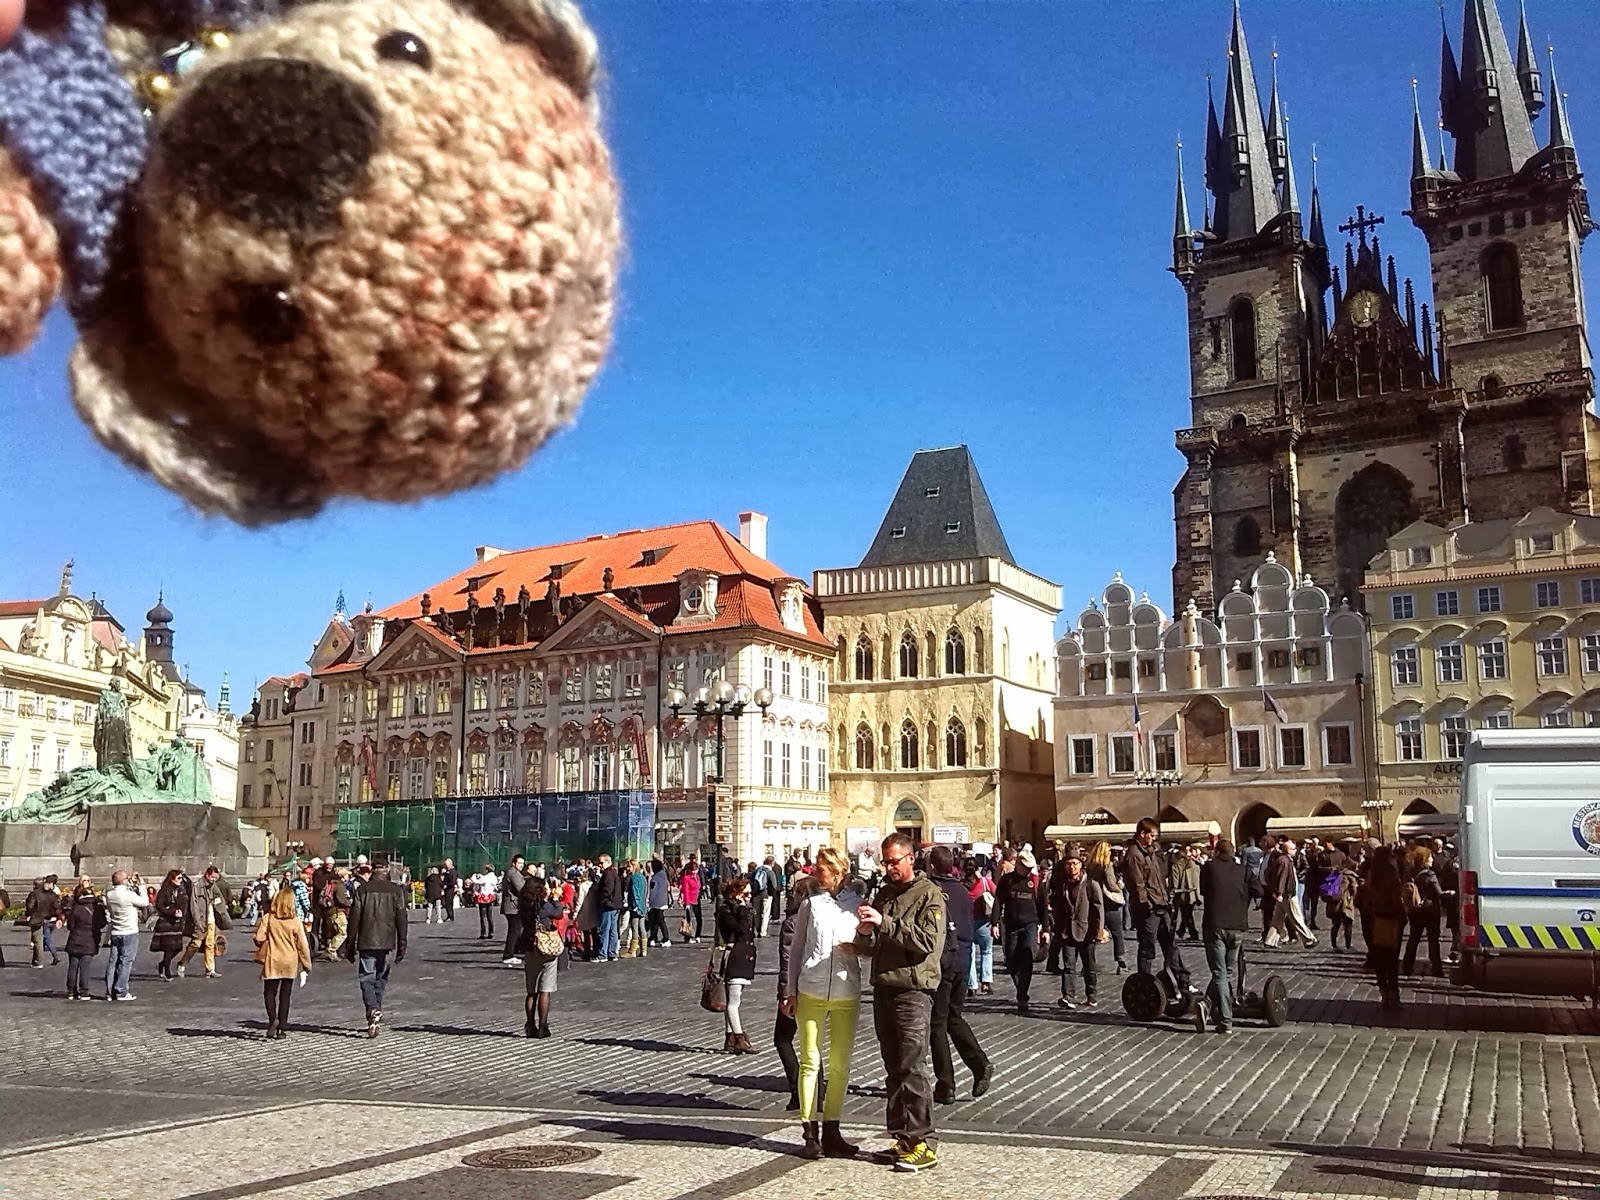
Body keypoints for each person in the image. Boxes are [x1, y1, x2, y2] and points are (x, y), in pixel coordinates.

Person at [855, 832, 945, 1174]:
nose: (889, 867)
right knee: (893, 1065)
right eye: (886, 861)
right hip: (884, 987)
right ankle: (903, 1137)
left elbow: (926, 942)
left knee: (912, 1065)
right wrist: (863, 934)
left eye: (894, 861)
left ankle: (924, 1140)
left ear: (911, 859)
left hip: (912, 990)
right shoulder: (885, 894)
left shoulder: (929, 896)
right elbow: (876, 943)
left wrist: (886, 923)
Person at [782, 847, 864, 1159]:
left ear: (839, 871)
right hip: (812, 988)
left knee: (840, 1065)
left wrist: (859, 945)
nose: (817, 873)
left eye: (823, 868)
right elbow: (796, 948)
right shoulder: (810, 904)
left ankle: (833, 1130)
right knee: (810, 1061)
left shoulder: (856, 905)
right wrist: (789, 990)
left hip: (846, 990)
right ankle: (809, 1131)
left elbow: (869, 943)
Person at [928, 845, 991, 1105]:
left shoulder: (932, 891)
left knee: (938, 1024)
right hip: (964, 961)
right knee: (953, 1017)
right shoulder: (964, 892)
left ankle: (946, 1085)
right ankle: (980, 1064)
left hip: (943, 961)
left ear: (931, 866)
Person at [344, 864, 409, 1038]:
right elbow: (402, 918)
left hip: (366, 940)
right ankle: (375, 1010)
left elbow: (354, 919)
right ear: (387, 872)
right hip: (387, 940)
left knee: (367, 977)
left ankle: (372, 1009)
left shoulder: (363, 890)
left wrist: (349, 944)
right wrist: (402, 943)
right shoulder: (395, 891)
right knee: (380, 977)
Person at [1123, 820, 1190, 989]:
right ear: (1142, 834)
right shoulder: (1134, 854)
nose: (1154, 839)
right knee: (1147, 946)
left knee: (1170, 943)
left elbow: (1158, 878)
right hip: (1148, 909)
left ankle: (1182, 979)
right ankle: (1144, 982)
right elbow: (1137, 884)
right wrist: (1146, 905)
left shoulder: (1151, 852)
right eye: (1151, 835)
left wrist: (1166, 897)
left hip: (1162, 905)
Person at [775, 874, 818, 1112]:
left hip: (796, 988)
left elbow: (787, 960)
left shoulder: (793, 922)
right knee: (812, 1041)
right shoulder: (818, 917)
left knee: (782, 1039)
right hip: (816, 986)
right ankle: (816, 1092)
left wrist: (785, 991)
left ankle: (797, 1089)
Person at [1198, 838, 1249, 1034]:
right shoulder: (1242, 870)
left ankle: (1225, 1019)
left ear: (1217, 852)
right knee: (1226, 972)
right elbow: (1258, 890)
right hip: (1237, 927)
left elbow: (1204, 891)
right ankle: (1206, 1005)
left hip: (1215, 924)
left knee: (1220, 973)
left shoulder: (1209, 868)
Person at [253, 886, 311, 1039]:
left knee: (270, 993)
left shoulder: (268, 918)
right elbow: (303, 946)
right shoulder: (295, 922)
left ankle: (273, 1019)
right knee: (285, 995)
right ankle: (283, 1028)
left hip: (273, 959)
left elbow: (259, 938)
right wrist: (306, 965)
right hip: (289, 961)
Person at [994, 849, 1047, 1014]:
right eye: (1025, 867)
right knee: (1010, 960)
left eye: (1030, 868)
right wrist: (994, 923)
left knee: (1026, 959)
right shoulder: (1007, 880)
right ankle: (1021, 988)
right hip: (1010, 925)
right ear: (1018, 865)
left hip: (1029, 925)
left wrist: (1046, 928)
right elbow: (998, 901)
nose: (1028, 870)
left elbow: (1043, 907)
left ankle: (1022, 996)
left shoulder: (1036, 883)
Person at [1051, 853, 1104, 1010]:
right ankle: (1068, 996)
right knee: (1069, 966)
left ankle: (1091, 994)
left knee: (1089, 966)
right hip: (1067, 932)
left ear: (1081, 865)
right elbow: (1059, 908)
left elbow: (1098, 908)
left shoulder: (1090, 884)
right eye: (1068, 864)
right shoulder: (1063, 885)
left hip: (1087, 931)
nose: (1071, 867)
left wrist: (1099, 930)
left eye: (1074, 863)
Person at [1361, 846, 1407, 1011]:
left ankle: (1384, 995)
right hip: (1391, 919)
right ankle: (1394, 997)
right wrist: (1403, 915)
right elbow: (1396, 900)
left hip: (1376, 919)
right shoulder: (1391, 874)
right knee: (1392, 961)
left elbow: (1366, 899)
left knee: (1380, 960)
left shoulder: (1372, 874)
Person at [520, 875, 566, 1037]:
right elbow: (558, 914)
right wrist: (555, 898)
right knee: (545, 990)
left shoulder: (524, 905)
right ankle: (543, 1026)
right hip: (546, 947)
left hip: (530, 946)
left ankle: (530, 1025)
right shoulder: (544, 905)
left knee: (531, 991)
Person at [717, 875, 758, 1053]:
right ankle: (739, 1037)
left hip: (745, 956)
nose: (749, 897)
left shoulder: (744, 910)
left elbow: (750, 933)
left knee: (735, 1000)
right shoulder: (725, 911)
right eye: (746, 894)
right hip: (734, 955)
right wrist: (742, 909)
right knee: (733, 1002)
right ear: (736, 894)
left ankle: (730, 1038)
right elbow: (740, 931)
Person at [103, 869, 149, 1001]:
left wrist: (129, 882)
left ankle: (109, 991)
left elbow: (117, 888)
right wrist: (141, 886)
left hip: (115, 931)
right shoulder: (128, 895)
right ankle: (121, 991)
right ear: (123, 881)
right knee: (126, 962)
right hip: (129, 931)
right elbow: (145, 902)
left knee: (113, 962)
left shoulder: (110, 894)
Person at [1263, 838, 1317, 949]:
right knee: (1296, 917)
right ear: (1288, 850)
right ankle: (1309, 939)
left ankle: (1270, 941)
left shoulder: (1285, 859)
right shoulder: (1284, 861)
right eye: (1293, 849)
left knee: (1277, 919)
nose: (1295, 850)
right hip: (1287, 894)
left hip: (1284, 894)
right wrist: (1279, 893)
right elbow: (1282, 877)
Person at [1402, 845, 1445, 978]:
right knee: (1433, 940)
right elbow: (1438, 893)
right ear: (1425, 859)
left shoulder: (1411, 872)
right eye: (1430, 857)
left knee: (1414, 938)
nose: (1432, 859)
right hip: (1430, 910)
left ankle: (1407, 966)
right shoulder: (1430, 875)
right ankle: (1436, 968)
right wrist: (1450, 894)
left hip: (1415, 910)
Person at [1085, 841, 1128, 974]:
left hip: (1094, 902)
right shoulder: (1106, 865)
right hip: (1109, 904)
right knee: (1117, 933)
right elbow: (1110, 883)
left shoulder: (1090, 866)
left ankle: (1089, 962)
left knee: (1093, 933)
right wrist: (1119, 886)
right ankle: (1121, 963)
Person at [177, 865, 225, 978]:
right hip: (201, 920)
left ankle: (210, 969)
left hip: (211, 919)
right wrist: (197, 921)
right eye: (213, 877)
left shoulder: (213, 886)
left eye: (216, 878)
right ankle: (182, 963)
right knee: (196, 944)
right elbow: (193, 905)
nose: (214, 880)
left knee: (210, 945)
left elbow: (219, 899)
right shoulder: (198, 886)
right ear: (207, 875)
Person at [62, 879, 107, 1000]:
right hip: (90, 940)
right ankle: (84, 991)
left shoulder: (76, 908)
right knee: (85, 967)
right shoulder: (98, 908)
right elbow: (102, 923)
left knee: (73, 966)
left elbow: (70, 926)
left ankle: (71, 991)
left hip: (75, 939)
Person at [150, 869, 187, 980]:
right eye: (179, 878)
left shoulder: (181, 890)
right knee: (168, 947)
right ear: (172, 879)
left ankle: (163, 964)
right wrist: (172, 912)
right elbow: (159, 906)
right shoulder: (164, 891)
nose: (181, 880)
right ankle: (167, 970)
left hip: (177, 923)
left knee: (177, 948)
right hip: (166, 923)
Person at [25, 875, 61, 968]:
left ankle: (39, 961)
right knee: (45, 938)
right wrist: (57, 917)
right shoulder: (52, 894)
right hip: (49, 919)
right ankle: (36, 960)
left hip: (37, 919)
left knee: (38, 940)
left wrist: (29, 914)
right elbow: (57, 907)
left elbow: (30, 906)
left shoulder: (34, 894)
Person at [594, 853, 624, 962]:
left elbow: (607, 890)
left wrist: (601, 899)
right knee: (612, 930)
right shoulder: (614, 873)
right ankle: (612, 953)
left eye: (601, 862)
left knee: (605, 930)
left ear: (608, 862)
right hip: (614, 905)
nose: (600, 865)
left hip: (608, 905)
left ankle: (603, 954)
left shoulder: (608, 874)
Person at [1171, 845, 1201, 942]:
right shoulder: (1193, 864)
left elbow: (1175, 884)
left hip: (1182, 893)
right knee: (1187, 913)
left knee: (1186, 914)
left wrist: (1172, 894)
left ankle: (1193, 933)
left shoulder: (1175, 866)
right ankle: (1182, 931)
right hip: (1193, 893)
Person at [501, 854, 526, 966]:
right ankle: (508, 955)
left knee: (515, 930)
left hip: (512, 906)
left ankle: (511, 952)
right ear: (514, 863)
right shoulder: (513, 873)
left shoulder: (515, 873)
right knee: (514, 931)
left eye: (522, 863)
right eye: (519, 863)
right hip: (512, 906)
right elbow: (521, 888)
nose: (521, 865)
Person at [646, 858, 672, 948]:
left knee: (659, 921)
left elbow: (653, 891)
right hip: (663, 901)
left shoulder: (655, 877)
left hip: (656, 902)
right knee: (656, 920)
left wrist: (649, 901)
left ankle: (666, 938)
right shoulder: (663, 875)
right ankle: (653, 937)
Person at [470, 863, 499, 940]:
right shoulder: (494, 877)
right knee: (490, 916)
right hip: (491, 896)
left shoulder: (485, 878)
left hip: (483, 897)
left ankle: (483, 933)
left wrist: (474, 875)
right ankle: (491, 932)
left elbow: (475, 881)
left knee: (483, 916)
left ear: (486, 870)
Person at [680, 854, 703, 942]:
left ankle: (698, 935)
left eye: (695, 870)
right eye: (693, 870)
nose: (694, 872)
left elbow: (699, 886)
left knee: (699, 918)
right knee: (688, 919)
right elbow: (685, 890)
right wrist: (686, 903)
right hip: (690, 900)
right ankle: (688, 936)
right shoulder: (686, 878)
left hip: (697, 899)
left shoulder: (697, 877)